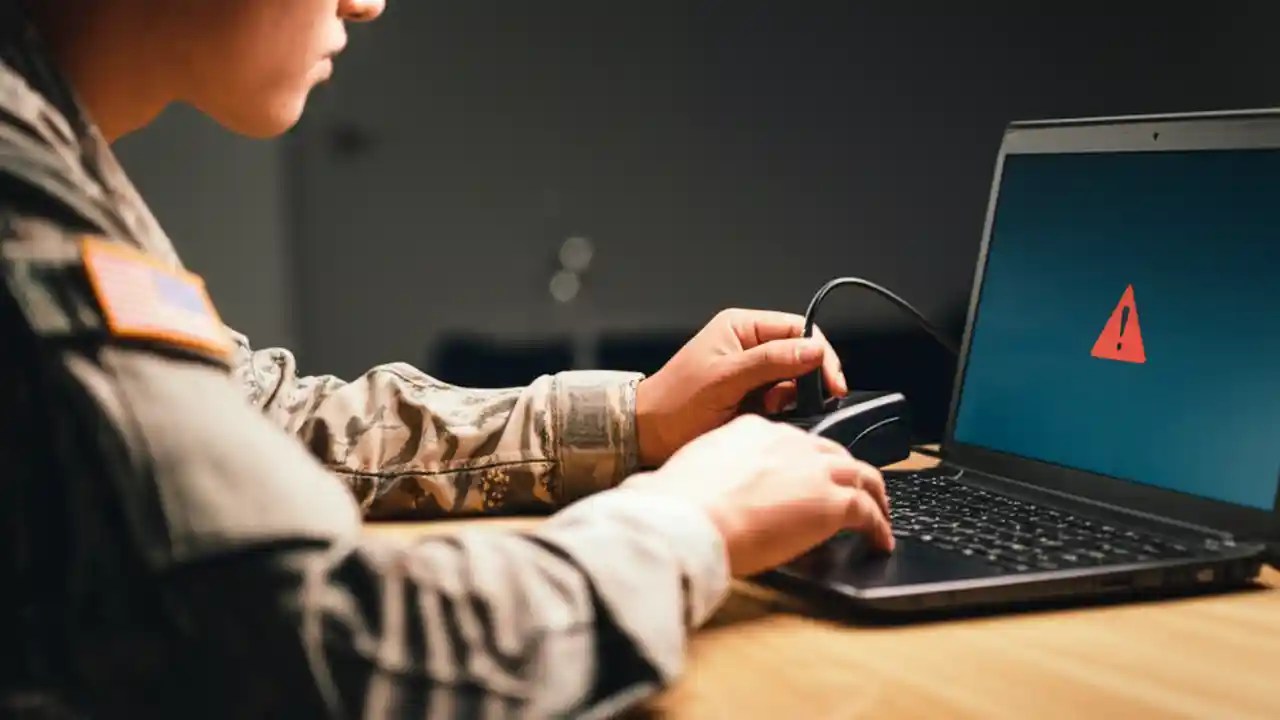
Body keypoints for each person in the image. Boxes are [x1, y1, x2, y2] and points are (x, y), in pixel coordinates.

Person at [0, 0, 894, 717]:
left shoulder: (50, 140)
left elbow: (258, 416)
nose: (366, 4)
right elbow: (342, 656)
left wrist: (633, 420)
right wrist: (691, 519)